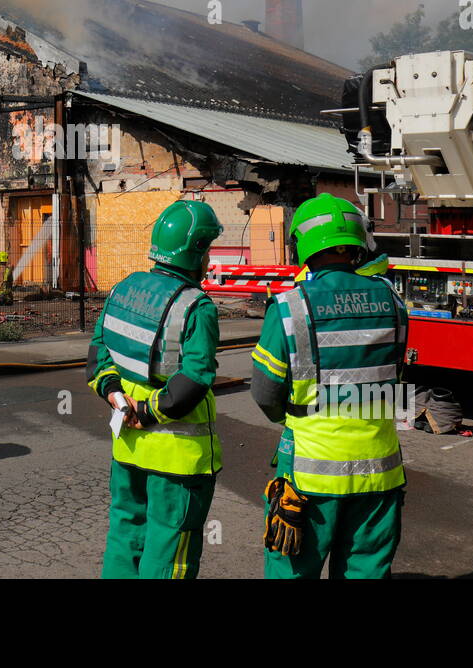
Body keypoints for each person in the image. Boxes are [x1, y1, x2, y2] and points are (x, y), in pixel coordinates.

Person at [252, 193, 409, 579]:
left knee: (293, 570)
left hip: (311, 472)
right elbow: (396, 375)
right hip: (380, 468)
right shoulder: (392, 299)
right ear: (356, 242)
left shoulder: (290, 306)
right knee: (365, 570)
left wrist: (288, 418)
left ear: (302, 244)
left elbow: (265, 391)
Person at [86, 199, 223, 579]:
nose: (209, 257)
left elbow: (99, 355)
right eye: (207, 248)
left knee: (126, 536)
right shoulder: (197, 306)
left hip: (127, 448)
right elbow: (195, 380)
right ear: (196, 250)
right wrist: (147, 412)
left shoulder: (123, 289)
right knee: (170, 549)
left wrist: (117, 398)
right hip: (177, 461)